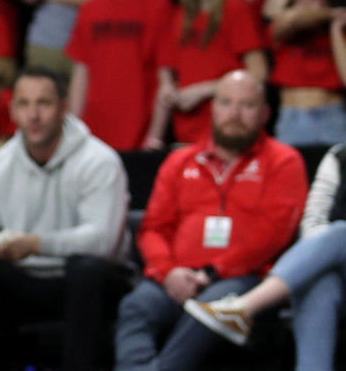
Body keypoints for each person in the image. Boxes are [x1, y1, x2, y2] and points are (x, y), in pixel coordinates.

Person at [0, 67, 131, 371]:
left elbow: (102, 242)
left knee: (86, 270)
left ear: (63, 108)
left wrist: (37, 244)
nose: (33, 115)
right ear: (12, 110)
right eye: (24, 104)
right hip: (24, 280)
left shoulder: (99, 161)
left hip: (89, 282)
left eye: (43, 103)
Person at [113, 71, 308, 371]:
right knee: (136, 306)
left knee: (210, 309)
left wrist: (214, 272)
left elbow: (273, 234)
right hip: (177, 277)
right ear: (213, 108)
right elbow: (153, 229)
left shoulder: (283, 161)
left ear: (265, 114)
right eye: (226, 103)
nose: (234, 113)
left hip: (245, 279)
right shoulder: (179, 161)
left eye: (246, 105)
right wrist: (169, 272)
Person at [186, 132, 346, 364]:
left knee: (340, 231)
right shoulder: (339, 156)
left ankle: (244, 308)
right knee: (320, 282)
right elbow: (313, 224)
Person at [66, 0, 174, 150]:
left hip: (140, 131)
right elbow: (81, 74)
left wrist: (155, 137)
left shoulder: (158, 6)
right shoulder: (89, 8)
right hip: (94, 133)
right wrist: (75, 128)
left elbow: (165, 77)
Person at [151, 0, 268, 146]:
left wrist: (203, 91)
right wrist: (169, 89)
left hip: (229, 131)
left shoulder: (235, 8)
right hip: (186, 133)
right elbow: (168, 72)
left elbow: (258, 73)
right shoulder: (179, 15)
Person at [267, 0, 346, 146]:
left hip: (332, 116)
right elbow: (293, 18)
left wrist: (336, 29)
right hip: (291, 118)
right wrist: (333, 13)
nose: (305, 5)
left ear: (327, 0)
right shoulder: (282, 30)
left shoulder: (339, 33)